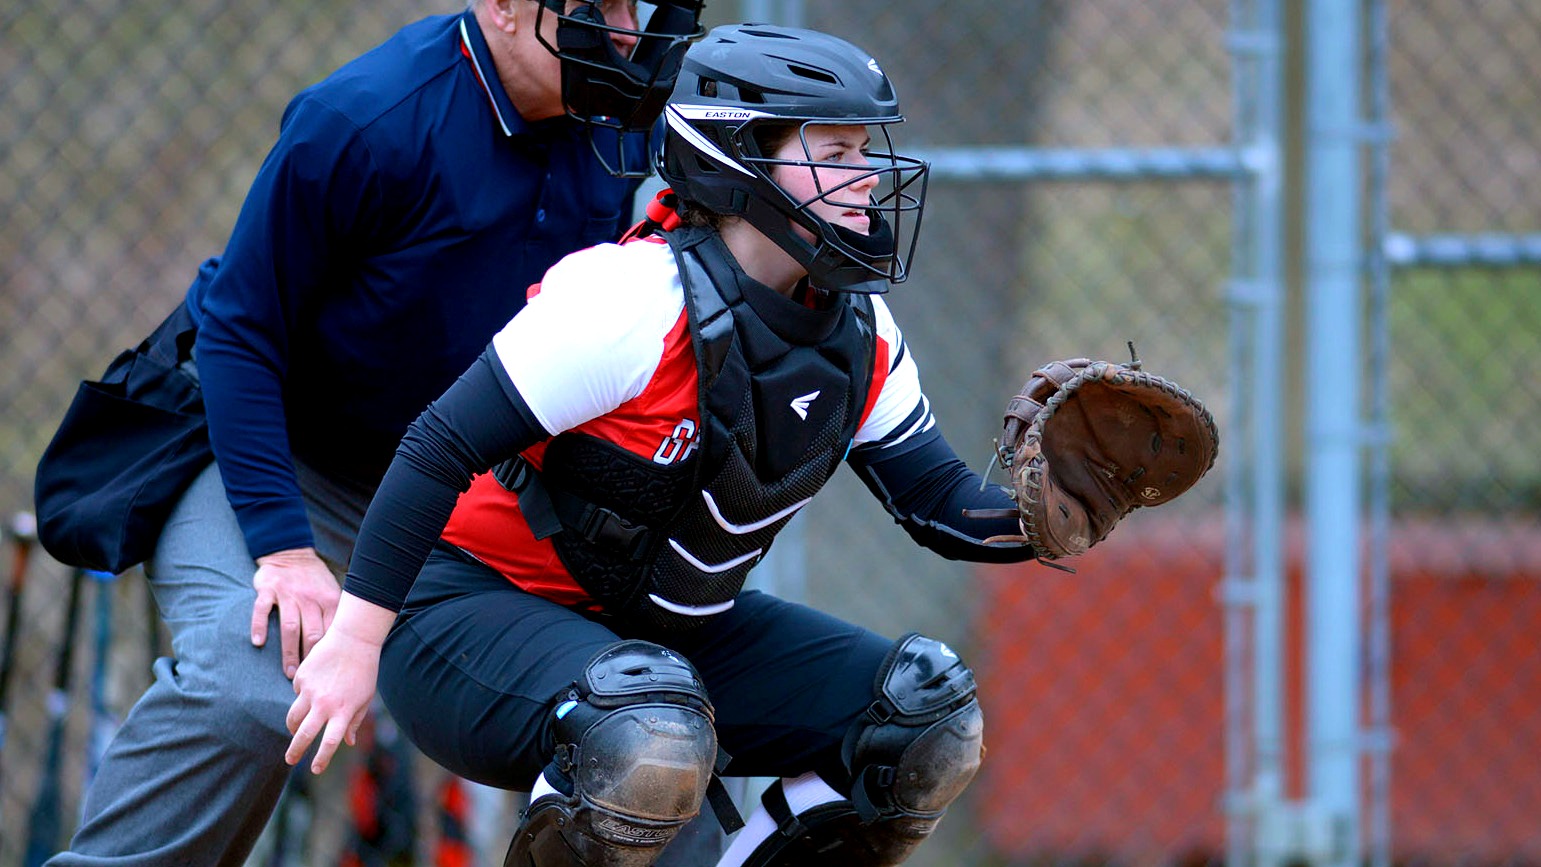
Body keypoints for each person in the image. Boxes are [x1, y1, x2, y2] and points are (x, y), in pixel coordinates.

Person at [284, 23, 1040, 867]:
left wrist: (1063, 505)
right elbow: (434, 446)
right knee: (649, 735)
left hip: (651, 642)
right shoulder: (631, 300)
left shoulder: (857, 331)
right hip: (463, 617)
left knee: (923, 719)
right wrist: (353, 645)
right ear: (739, 156)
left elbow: (945, 508)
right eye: (835, 149)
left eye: (865, 148)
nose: (866, 175)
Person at [48, 1, 706, 864]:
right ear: (502, 7)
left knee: (645, 706)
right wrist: (284, 553)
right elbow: (241, 332)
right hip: (289, 454)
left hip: (468, 479)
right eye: (589, 5)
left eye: (632, 2)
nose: (622, 29)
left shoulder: (624, 120)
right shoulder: (367, 118)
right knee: (255, 681)